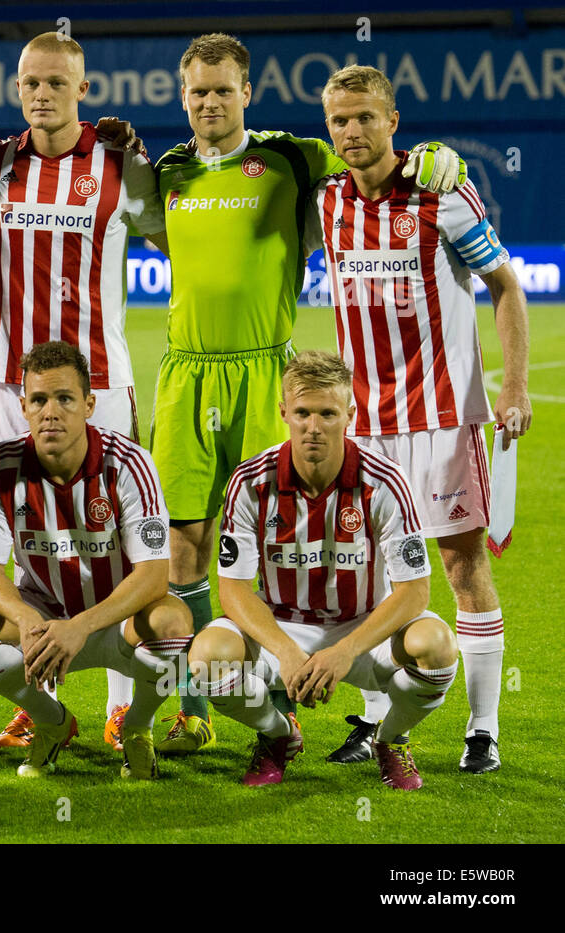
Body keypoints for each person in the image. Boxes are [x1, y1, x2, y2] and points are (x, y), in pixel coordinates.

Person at [149, 33, 464, 756]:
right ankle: (194, 711)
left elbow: (372, 154)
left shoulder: (295, 157)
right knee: (184, 544)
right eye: (197, 91)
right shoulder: (166, 170)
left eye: (223, 90)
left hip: (266, 370)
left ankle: (290, 683)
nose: (209, 102)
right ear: (183, 96)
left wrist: (439, 155)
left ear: (247, 93)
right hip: (185, 375)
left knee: (283, 530)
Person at [0, 31, 170, 752]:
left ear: (83, 90)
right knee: (22, 536)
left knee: (115, 537)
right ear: (17, 89)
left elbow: (170, 234)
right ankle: (38, 701)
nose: (42, 94)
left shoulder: (120, 164)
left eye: (56, 82)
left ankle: (120, 707)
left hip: (101, 382)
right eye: (31, 83)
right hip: (13, 383)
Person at [310, 65, 530, 773]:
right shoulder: (326, 200)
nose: (352, 130)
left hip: (443, 417)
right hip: (361, 427)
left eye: (365, 117)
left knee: (463, 567)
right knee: (365, 575)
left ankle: (483, 728)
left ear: (393, 121)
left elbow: (505, 286)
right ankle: (375, 720)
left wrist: (515, 387)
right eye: (339, 119)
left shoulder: (443, 193)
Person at [188, 350, 459, 790]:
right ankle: (278, 735)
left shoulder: (384, 481)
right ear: (284, 413)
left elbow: (414, 591)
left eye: (327, 413)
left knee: (437, 645)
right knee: (206, 658)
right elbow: (233, 590)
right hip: (282, 625)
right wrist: (285, 651)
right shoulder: (251, 481)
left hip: (364, 628)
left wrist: (345, 651)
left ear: (349, 414)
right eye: (303, 413)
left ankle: (391, 738)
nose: (313, 427)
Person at [0, 341, 194, 778]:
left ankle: (137, 726)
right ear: (23, 407)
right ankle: (51, 721)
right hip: (42, 622)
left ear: (89, 405)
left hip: (115, 623)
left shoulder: (129, 462)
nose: (51, 412)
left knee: (173, 622)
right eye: (39, 400)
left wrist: (80, 626)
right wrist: (26, 620)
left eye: (65, 399)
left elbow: (154, 576)